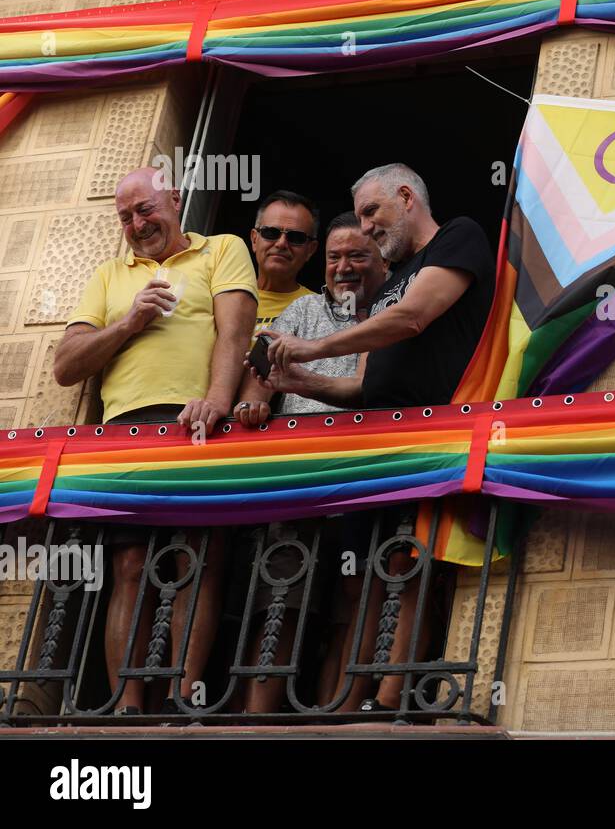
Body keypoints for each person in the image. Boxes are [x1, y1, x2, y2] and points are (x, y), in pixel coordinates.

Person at [252, 162, 494, 711]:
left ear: (407, 197)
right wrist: (294, 378)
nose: (364, 228)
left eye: (371, 212)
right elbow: (363, 384)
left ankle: (389, 699)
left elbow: (411, 319)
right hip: (374, 441)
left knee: (407, 566)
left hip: (431, 439)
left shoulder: (458, 236)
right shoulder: (393, 277)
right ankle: (347, 700)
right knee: (360, 578)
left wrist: (310, 347)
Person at [52, 166, 257, 713]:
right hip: (124, 431)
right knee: (130, 566)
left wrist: (217, 399)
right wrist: (128, 322)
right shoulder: (108, 275)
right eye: (126, 217)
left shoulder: (223, 248)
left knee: (199, 559)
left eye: (146, 210)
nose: (138, 224)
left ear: (175, 198)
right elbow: (66, 367)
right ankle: (127, 702)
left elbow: (236, 332)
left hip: (199, 421)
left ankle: (183, 695)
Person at [231, 211, 388, 713]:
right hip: (296, 479)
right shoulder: (300, 310)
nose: (344, 267)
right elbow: (260, 367)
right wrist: (252, 402)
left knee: (352, 604)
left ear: (382, 260)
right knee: (282, 602)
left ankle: (336, 719)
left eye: (358, 256)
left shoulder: (393, 310)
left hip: (365, 479)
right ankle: (258, 721)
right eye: (335, 257)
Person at [249, 190, 318, 334]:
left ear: (310, 250)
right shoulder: (219, 295)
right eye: (271, 233)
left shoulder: (320, 310)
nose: (281, 243)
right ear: (255, 240)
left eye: (296, 238)